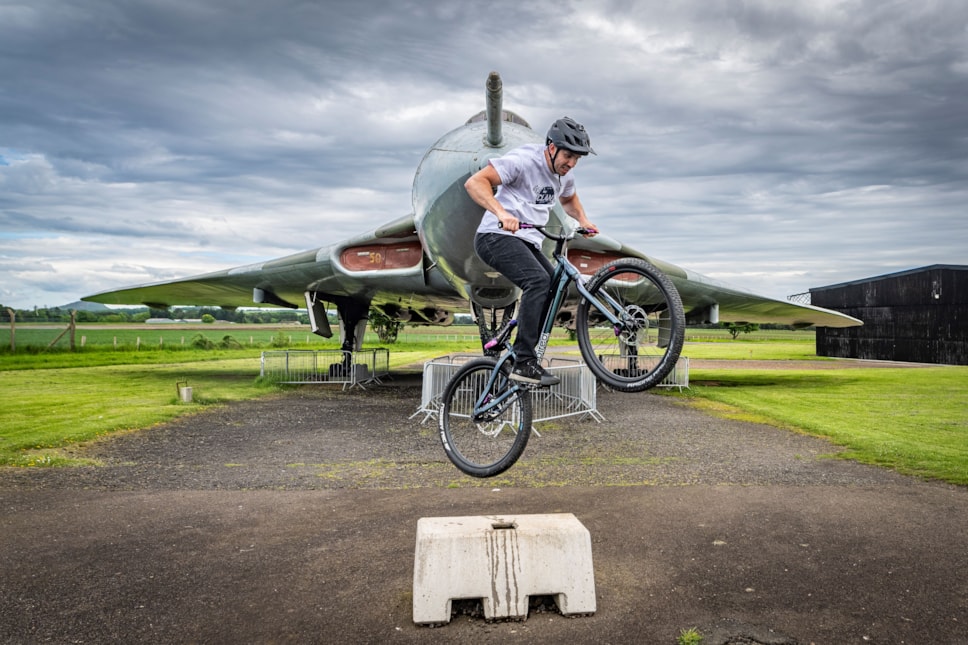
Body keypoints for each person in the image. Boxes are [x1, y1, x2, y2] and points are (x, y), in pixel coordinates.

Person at [465, 117, 598, 387]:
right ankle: (525, 361)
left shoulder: (564, 175)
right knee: (537, 281)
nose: (571, 163)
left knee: (554, 288)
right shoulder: (524, 160)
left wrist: (582, 220)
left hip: (527, 241)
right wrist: (501, 212)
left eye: (577, 159)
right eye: (568, 156)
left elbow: (569, 198)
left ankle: (518, 347)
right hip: (496, 235)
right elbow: (475, 183)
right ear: (551, 148)